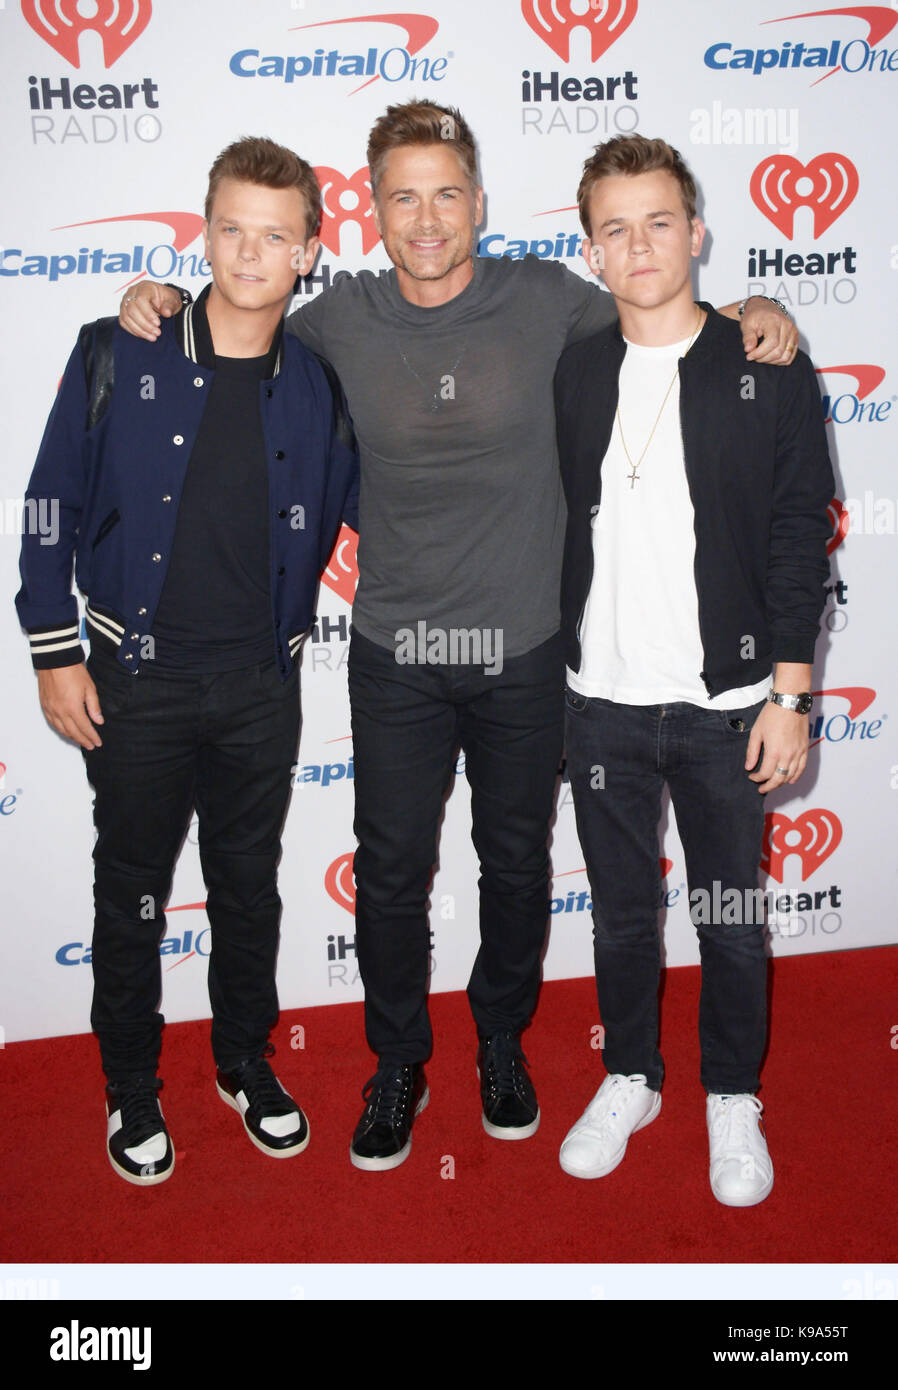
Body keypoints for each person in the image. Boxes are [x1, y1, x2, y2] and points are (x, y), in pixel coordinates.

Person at [119, 101, 799, 1173]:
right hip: (395, 654)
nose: (426, 217)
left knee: (514, 865)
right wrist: (158, 298)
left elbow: (660, 309)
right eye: (402, 195)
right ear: (372, 211)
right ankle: (399, 1062)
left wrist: (756, 308)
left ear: (479, 203)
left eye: (447, 193)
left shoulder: (548, 300)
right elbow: (237, 322)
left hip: (526, 652)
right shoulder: (333, 318)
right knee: (391, 873)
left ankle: (499, 1046)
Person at [16, 137, 359, 1186]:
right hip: (131, 681)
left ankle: (244, 1062)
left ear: (309, 249)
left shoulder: (322, 387)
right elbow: (46, 506)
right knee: (130, 893)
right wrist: (52, 647)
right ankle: (130, 1087)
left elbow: (383, 521)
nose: (249, 252)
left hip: (261, 684)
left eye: (275, 234)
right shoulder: (117, 349)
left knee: (248, 889)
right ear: (202, 230)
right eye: (230, 228)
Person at [553, 135, 833, 1205]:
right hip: (600, 706)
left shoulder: (765, 360)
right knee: (621, 915)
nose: (639, 245)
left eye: (658, 220)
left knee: (727, 912)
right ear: (590, 250)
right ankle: (630, 1073)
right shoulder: (576, 367)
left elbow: (799, 538)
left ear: (696, 230)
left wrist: (790, 695)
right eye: (615, 227)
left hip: (728, 708)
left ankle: (730, 1093)